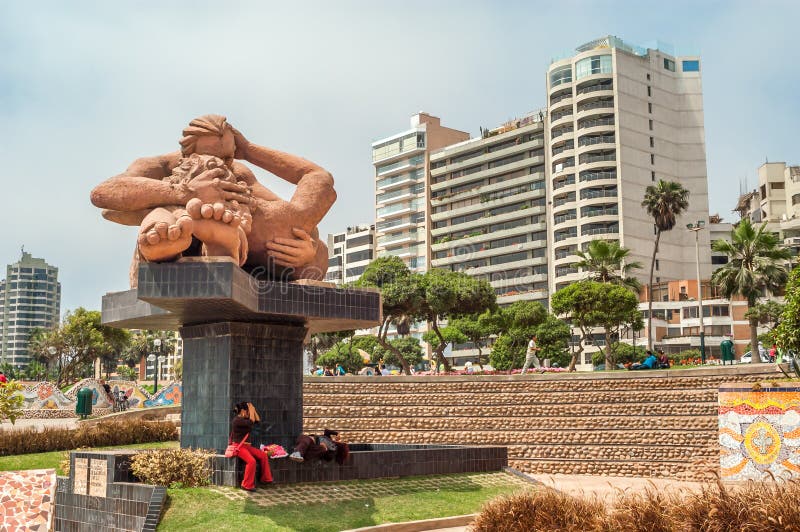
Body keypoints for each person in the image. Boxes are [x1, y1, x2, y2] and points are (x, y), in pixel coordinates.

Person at [90, 115, 335, 287]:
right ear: (187, 153)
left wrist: (309, 247)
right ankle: (186, 239)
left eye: (228, 156)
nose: (221, 165)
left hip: (250, 259)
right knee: (165, 216)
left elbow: (297, 213)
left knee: (313, 248)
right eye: (211, 157)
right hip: (179, 245)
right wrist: (184, 192)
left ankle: (221, 242)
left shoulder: (237, 173)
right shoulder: (159, 166)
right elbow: (103, 193)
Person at [230, 402, 272, 492]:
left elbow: (257, 419)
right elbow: (251, 421)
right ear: (242, 411)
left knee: (263, 455)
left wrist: (252, 408)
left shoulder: (244, 419)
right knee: (251, 461)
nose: (248, 413)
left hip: (247, 447)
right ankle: (246, 485)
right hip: (239, 446)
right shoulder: (237, 420)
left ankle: (266, 479)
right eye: (247, 411)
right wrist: (251, 410)